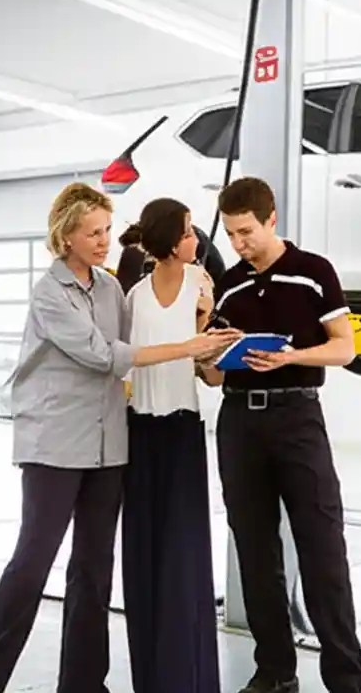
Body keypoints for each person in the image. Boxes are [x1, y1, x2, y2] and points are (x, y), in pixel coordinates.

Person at [0, 182, 237, 693]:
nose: (105, 241)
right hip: (56, 446)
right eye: (94, 233)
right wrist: (190, 343)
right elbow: (107, 356)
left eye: (108, 230)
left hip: (109, 448)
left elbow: (147, 339)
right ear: (67, 239)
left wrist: (200, 322)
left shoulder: (111, 290)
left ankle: (84, 684)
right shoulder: (49, 295)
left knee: (93, 570)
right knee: (32, 563)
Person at [200, 176, 361, 693]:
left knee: (322, 550)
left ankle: (344, 679)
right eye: (230, 235)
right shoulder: (230, 284)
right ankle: (274, 672)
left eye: (246, 231)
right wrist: (204, 354)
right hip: (239, 423)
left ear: (272, 219)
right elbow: (215, 374)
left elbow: (345, 349)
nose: (238, 244)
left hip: (297, 421)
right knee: (254, 550)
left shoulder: (314, 273)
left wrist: (292, 356)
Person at [120, 197, 240, 693]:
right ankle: (151, 677)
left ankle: (188, 678)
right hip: (139, 434)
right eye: (190, 232)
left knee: (184, 558)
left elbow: (210, 377)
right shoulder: (133, 297)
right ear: (171, 241)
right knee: (143, 557)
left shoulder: (201, 286)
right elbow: (125, 364)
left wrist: (214, 343)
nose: (197, 241)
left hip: (183, 432)